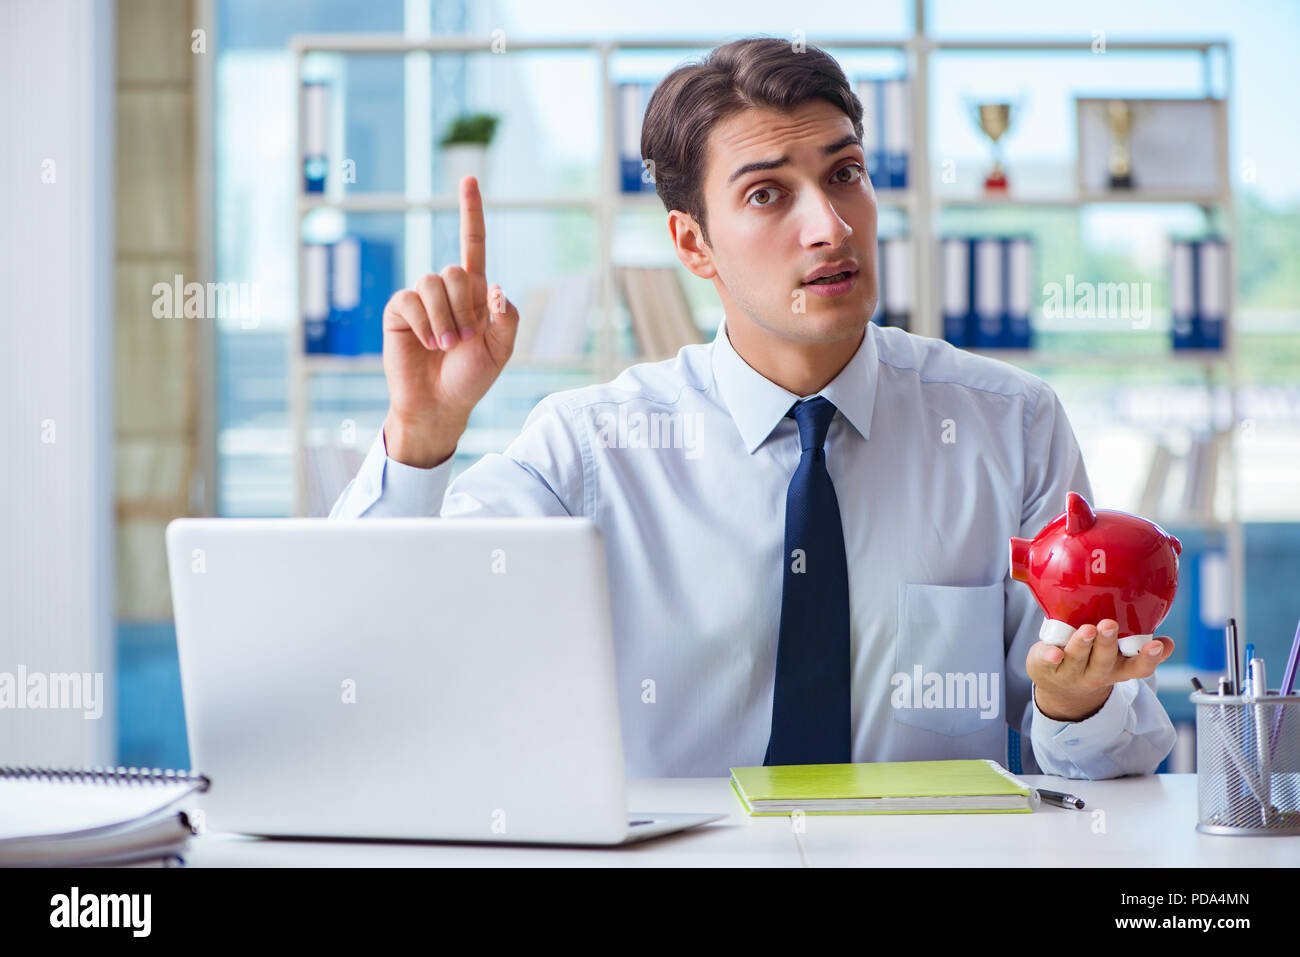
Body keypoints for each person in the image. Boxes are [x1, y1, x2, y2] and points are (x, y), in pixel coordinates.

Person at [330, 36, 1177, 778]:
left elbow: (1117, 759)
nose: (831, 226)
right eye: (768, 194)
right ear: (693, 244)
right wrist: (421, 436)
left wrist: (1073, 707)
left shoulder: (1009, 425)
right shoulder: (591, 451)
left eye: (845, 175)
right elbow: (380, 654)